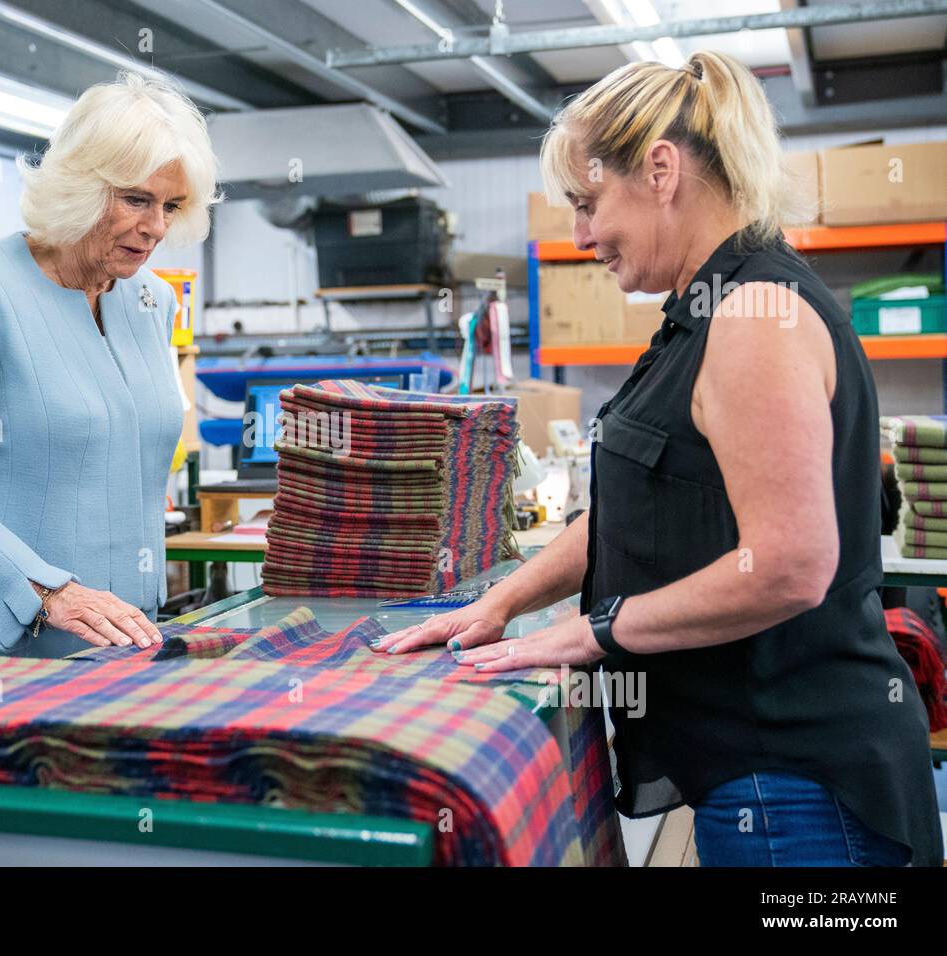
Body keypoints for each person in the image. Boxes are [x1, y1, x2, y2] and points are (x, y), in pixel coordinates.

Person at [378, 51, 943, 867]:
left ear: (660, 170)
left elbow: (790, 566)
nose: (580, 235)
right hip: (757, 775)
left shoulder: (752, 318)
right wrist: (501, 603)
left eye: (587, 203)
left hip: (798, 787)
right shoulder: (700, 314)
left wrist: (594, 633)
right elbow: (629, 506)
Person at [0, 72, 219, 668]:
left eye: (171, 206)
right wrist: (48, 590)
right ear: (80, 186)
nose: (156, 227)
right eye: (137, 199)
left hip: (125, 629)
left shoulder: (153, 301)